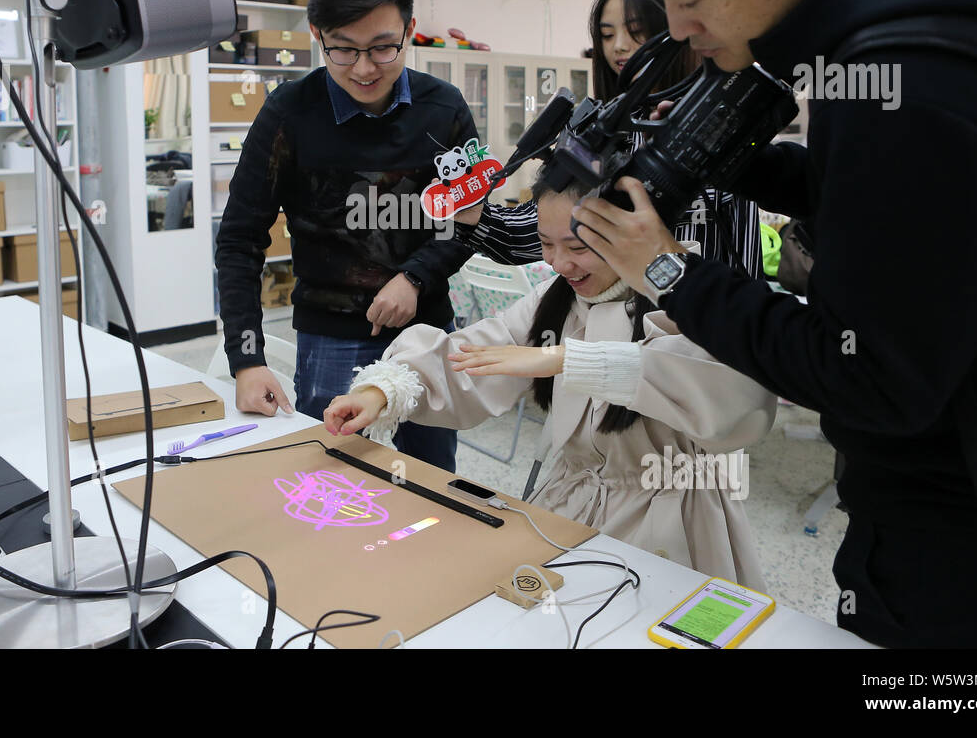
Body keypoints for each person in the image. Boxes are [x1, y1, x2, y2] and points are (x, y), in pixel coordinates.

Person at [576, 0, 977, 646]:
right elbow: (905, 212)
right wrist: (745, 162)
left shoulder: (909, 89)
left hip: (975, 536)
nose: (677, 32)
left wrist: (670, 272)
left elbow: (876, 379)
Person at [323, 167, 776, 587]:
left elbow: (735, 400)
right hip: (572, 505)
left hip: (674, 518)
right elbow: (474, 354)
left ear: (640, 230)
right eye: (546, 244)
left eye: (578, 247)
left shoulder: (693, 295)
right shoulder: (554, 298)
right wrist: (382, 389)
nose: (559, 263)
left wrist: (569, 359)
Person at [215, 0, 476, 472]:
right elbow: (240, 238)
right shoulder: (289, 113)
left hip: (423, 337)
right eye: (343, 48)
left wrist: (415, 279)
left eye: (383, 47)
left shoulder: (443, 109)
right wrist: (246, 359)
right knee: (329, 477)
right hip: (329, 335)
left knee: (431, 479)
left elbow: (467, 221)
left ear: (410, 31)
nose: (363, 68)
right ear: (316, 35)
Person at [452, 0, 763, 278]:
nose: (619, 47)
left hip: (700, 317)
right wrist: (476, 217)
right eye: (607, 34)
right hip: (616, 325)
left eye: (636, 31)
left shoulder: (718, 121)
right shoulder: (593, 128)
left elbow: (742, 241)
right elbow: (547, 230)